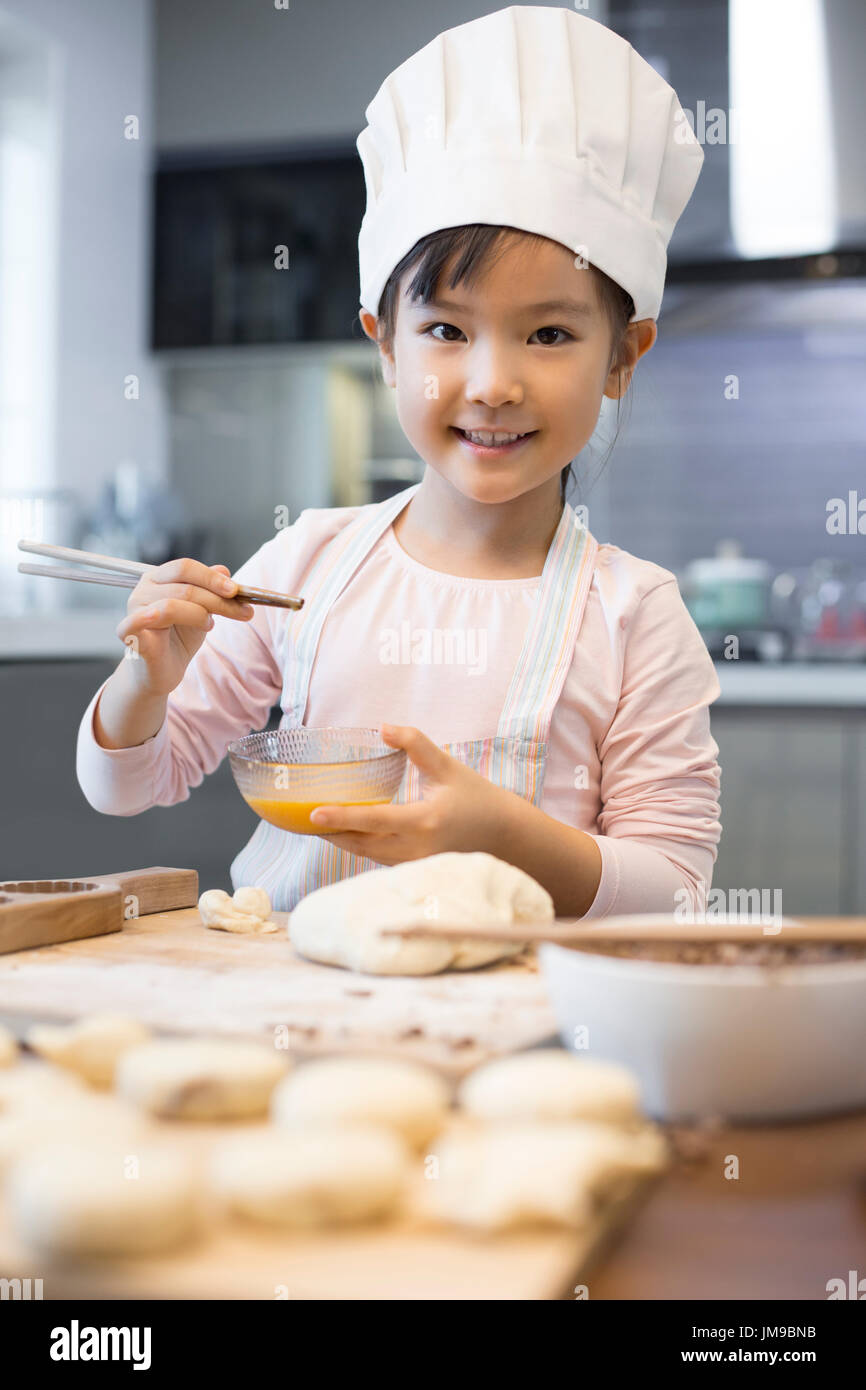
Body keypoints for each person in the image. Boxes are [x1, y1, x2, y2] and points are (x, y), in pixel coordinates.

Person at [77, 6, 721, 918]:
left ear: (623, 356)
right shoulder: (302, 571)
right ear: (387, 348)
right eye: (447, 331)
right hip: (285, 1017)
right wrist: (145, 679)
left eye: (548, 333)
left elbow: (679, 891)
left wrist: (506, 834)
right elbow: (129, 784)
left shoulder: (634, 618)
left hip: (519, 1034)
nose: (493, 383)